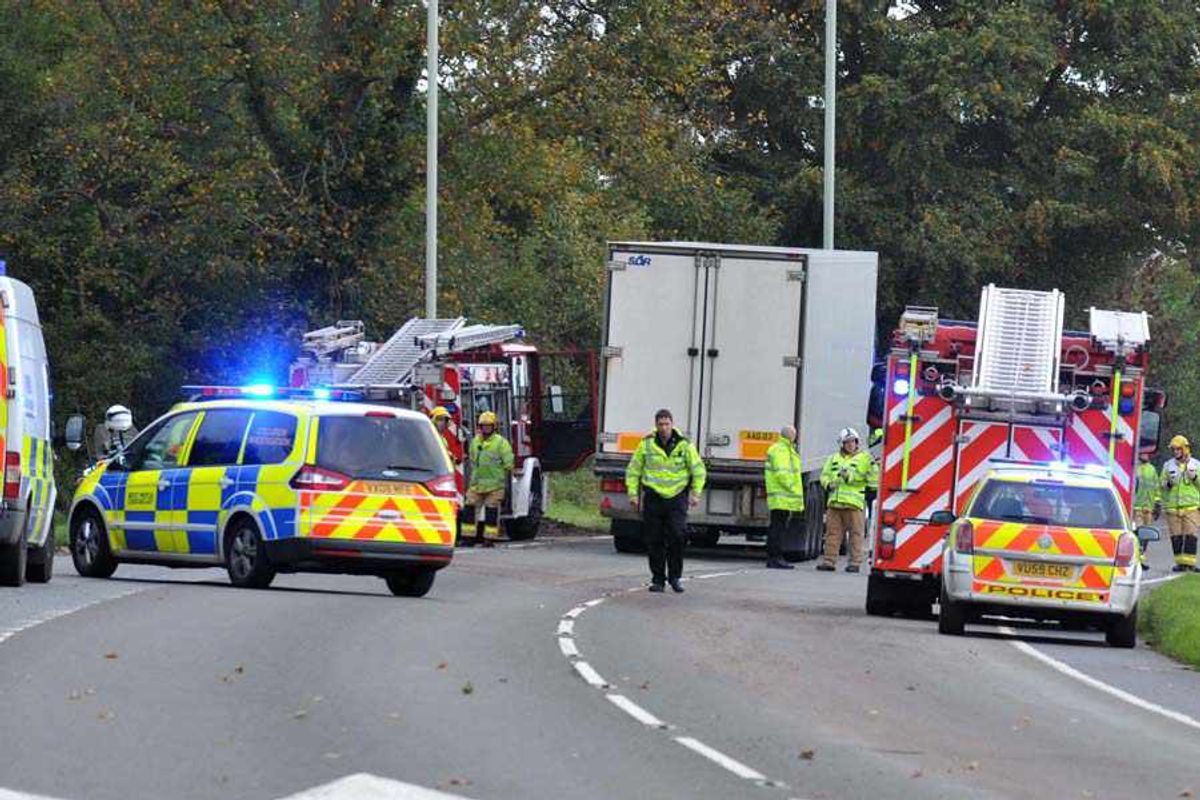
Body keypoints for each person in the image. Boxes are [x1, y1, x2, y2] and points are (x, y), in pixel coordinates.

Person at [626, 408, 706, 593]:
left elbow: (698, 470)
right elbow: (634, 470)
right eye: (660, 424)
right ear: (656, 425)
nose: (664, 428)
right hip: (654, 496)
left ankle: (675, 577)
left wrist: (695, 493)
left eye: (666, 424)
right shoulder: (646, 445)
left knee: (678, 536)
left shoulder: (684, 445)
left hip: (677, 497)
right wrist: (633, 494)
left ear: (672, 423)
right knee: (654, 540)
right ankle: (658, 579)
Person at [818, 427, 878, 573]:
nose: (851, 445)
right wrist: (828, 484)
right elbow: (824, 475)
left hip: (854, 504)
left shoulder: (865, 458)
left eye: (853, 442)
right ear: (842, 444)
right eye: (847, 442)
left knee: (856, 535)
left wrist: (851, 478)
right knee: (832, 534)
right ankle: (829, 561)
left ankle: (855, 563)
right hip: (835, 503)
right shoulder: (833, 458)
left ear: (857, 442)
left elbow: (873, 480)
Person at [464, 411, 513, 547]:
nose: (485, 428)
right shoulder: (475, 442)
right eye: (483, 426)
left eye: (488, 426)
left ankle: (489, 539)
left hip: (495, 486)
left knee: (492, 513)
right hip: (476, 485)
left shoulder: (501, 443)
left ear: (494, 427)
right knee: (469, 510)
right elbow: (473, 459)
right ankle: (468, 539)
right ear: (479, 426)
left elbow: (509, 463)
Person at [763, 425, 803, 569]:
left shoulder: (782, 449)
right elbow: (782, 473)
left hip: (781, 497)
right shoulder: (781, 450)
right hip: (782, 496)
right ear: (791, 436)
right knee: (778, 529)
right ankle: (775, 558)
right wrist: (792, 488)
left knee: (777, 527)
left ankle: (775, 557)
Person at [1160, 435, 1200, 572]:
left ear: (1185, 449)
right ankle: (1180, 564)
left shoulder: (1196, 465)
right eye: (1174, 449)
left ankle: (1190, 564)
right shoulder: (1168, 465)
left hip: (1191, 508)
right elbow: (1161, 485)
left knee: (1191, 536)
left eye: (1178, 449)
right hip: (1172, 508)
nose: (1175, 452)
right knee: (1176, 537)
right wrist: (1169, 483)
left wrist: (1194, 477)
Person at [1133, 453, 1160, 569]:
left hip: (1148, 508)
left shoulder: (1152, 469)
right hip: (1136, 508)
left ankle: (1141, 559)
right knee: (1138, 534)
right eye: (1143, 453)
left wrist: (1157, 503)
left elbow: (1156, 487)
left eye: (1147, 454)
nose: (1145, 455)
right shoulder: (1135, 468)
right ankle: (1136, 560)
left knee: (1146, 536)